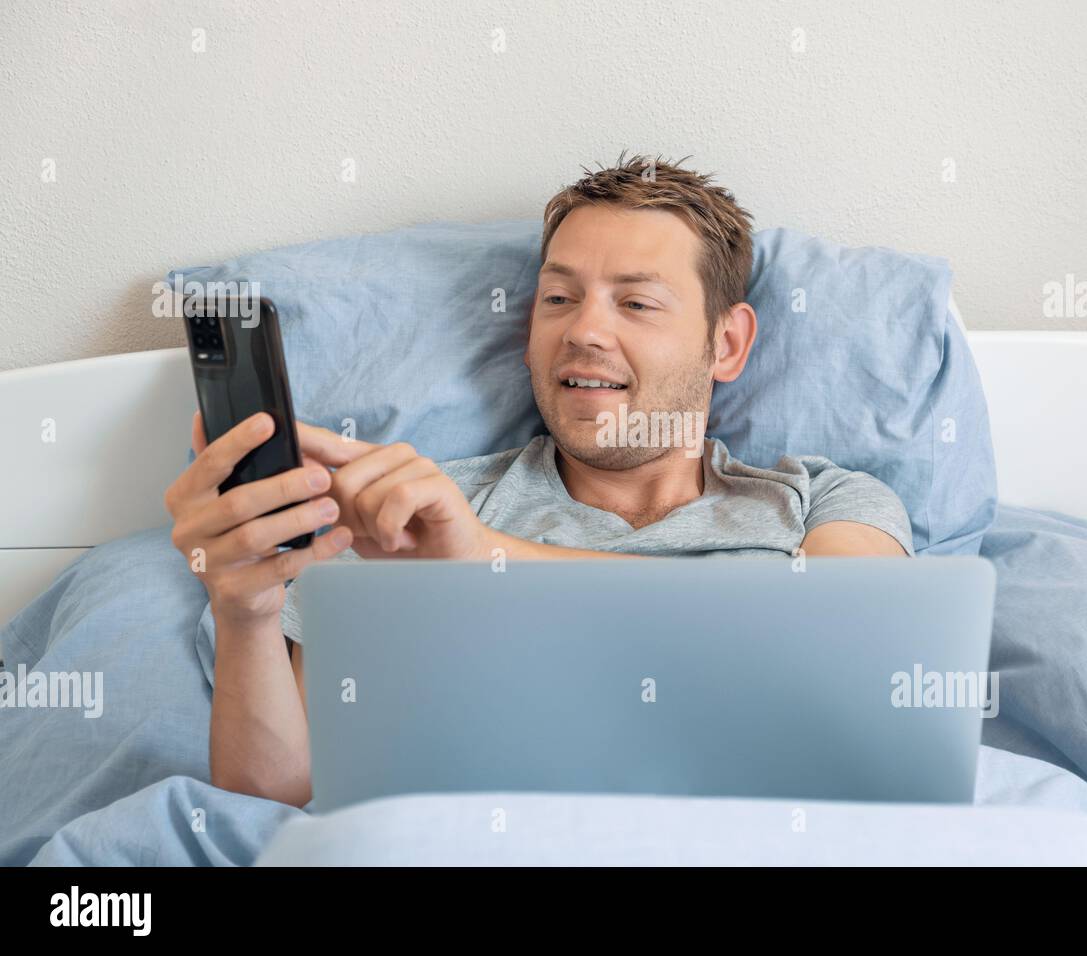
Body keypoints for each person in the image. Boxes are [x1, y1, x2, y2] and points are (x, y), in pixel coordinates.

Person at [164, 155, 913, 807]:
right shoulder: (406, 517)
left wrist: (481, 560)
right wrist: (248, 612)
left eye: (636, 302)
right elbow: (277, 797)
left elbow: (841, 651)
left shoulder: (823, 502)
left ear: (727, 343)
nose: (582, 330)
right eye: (558, 299)